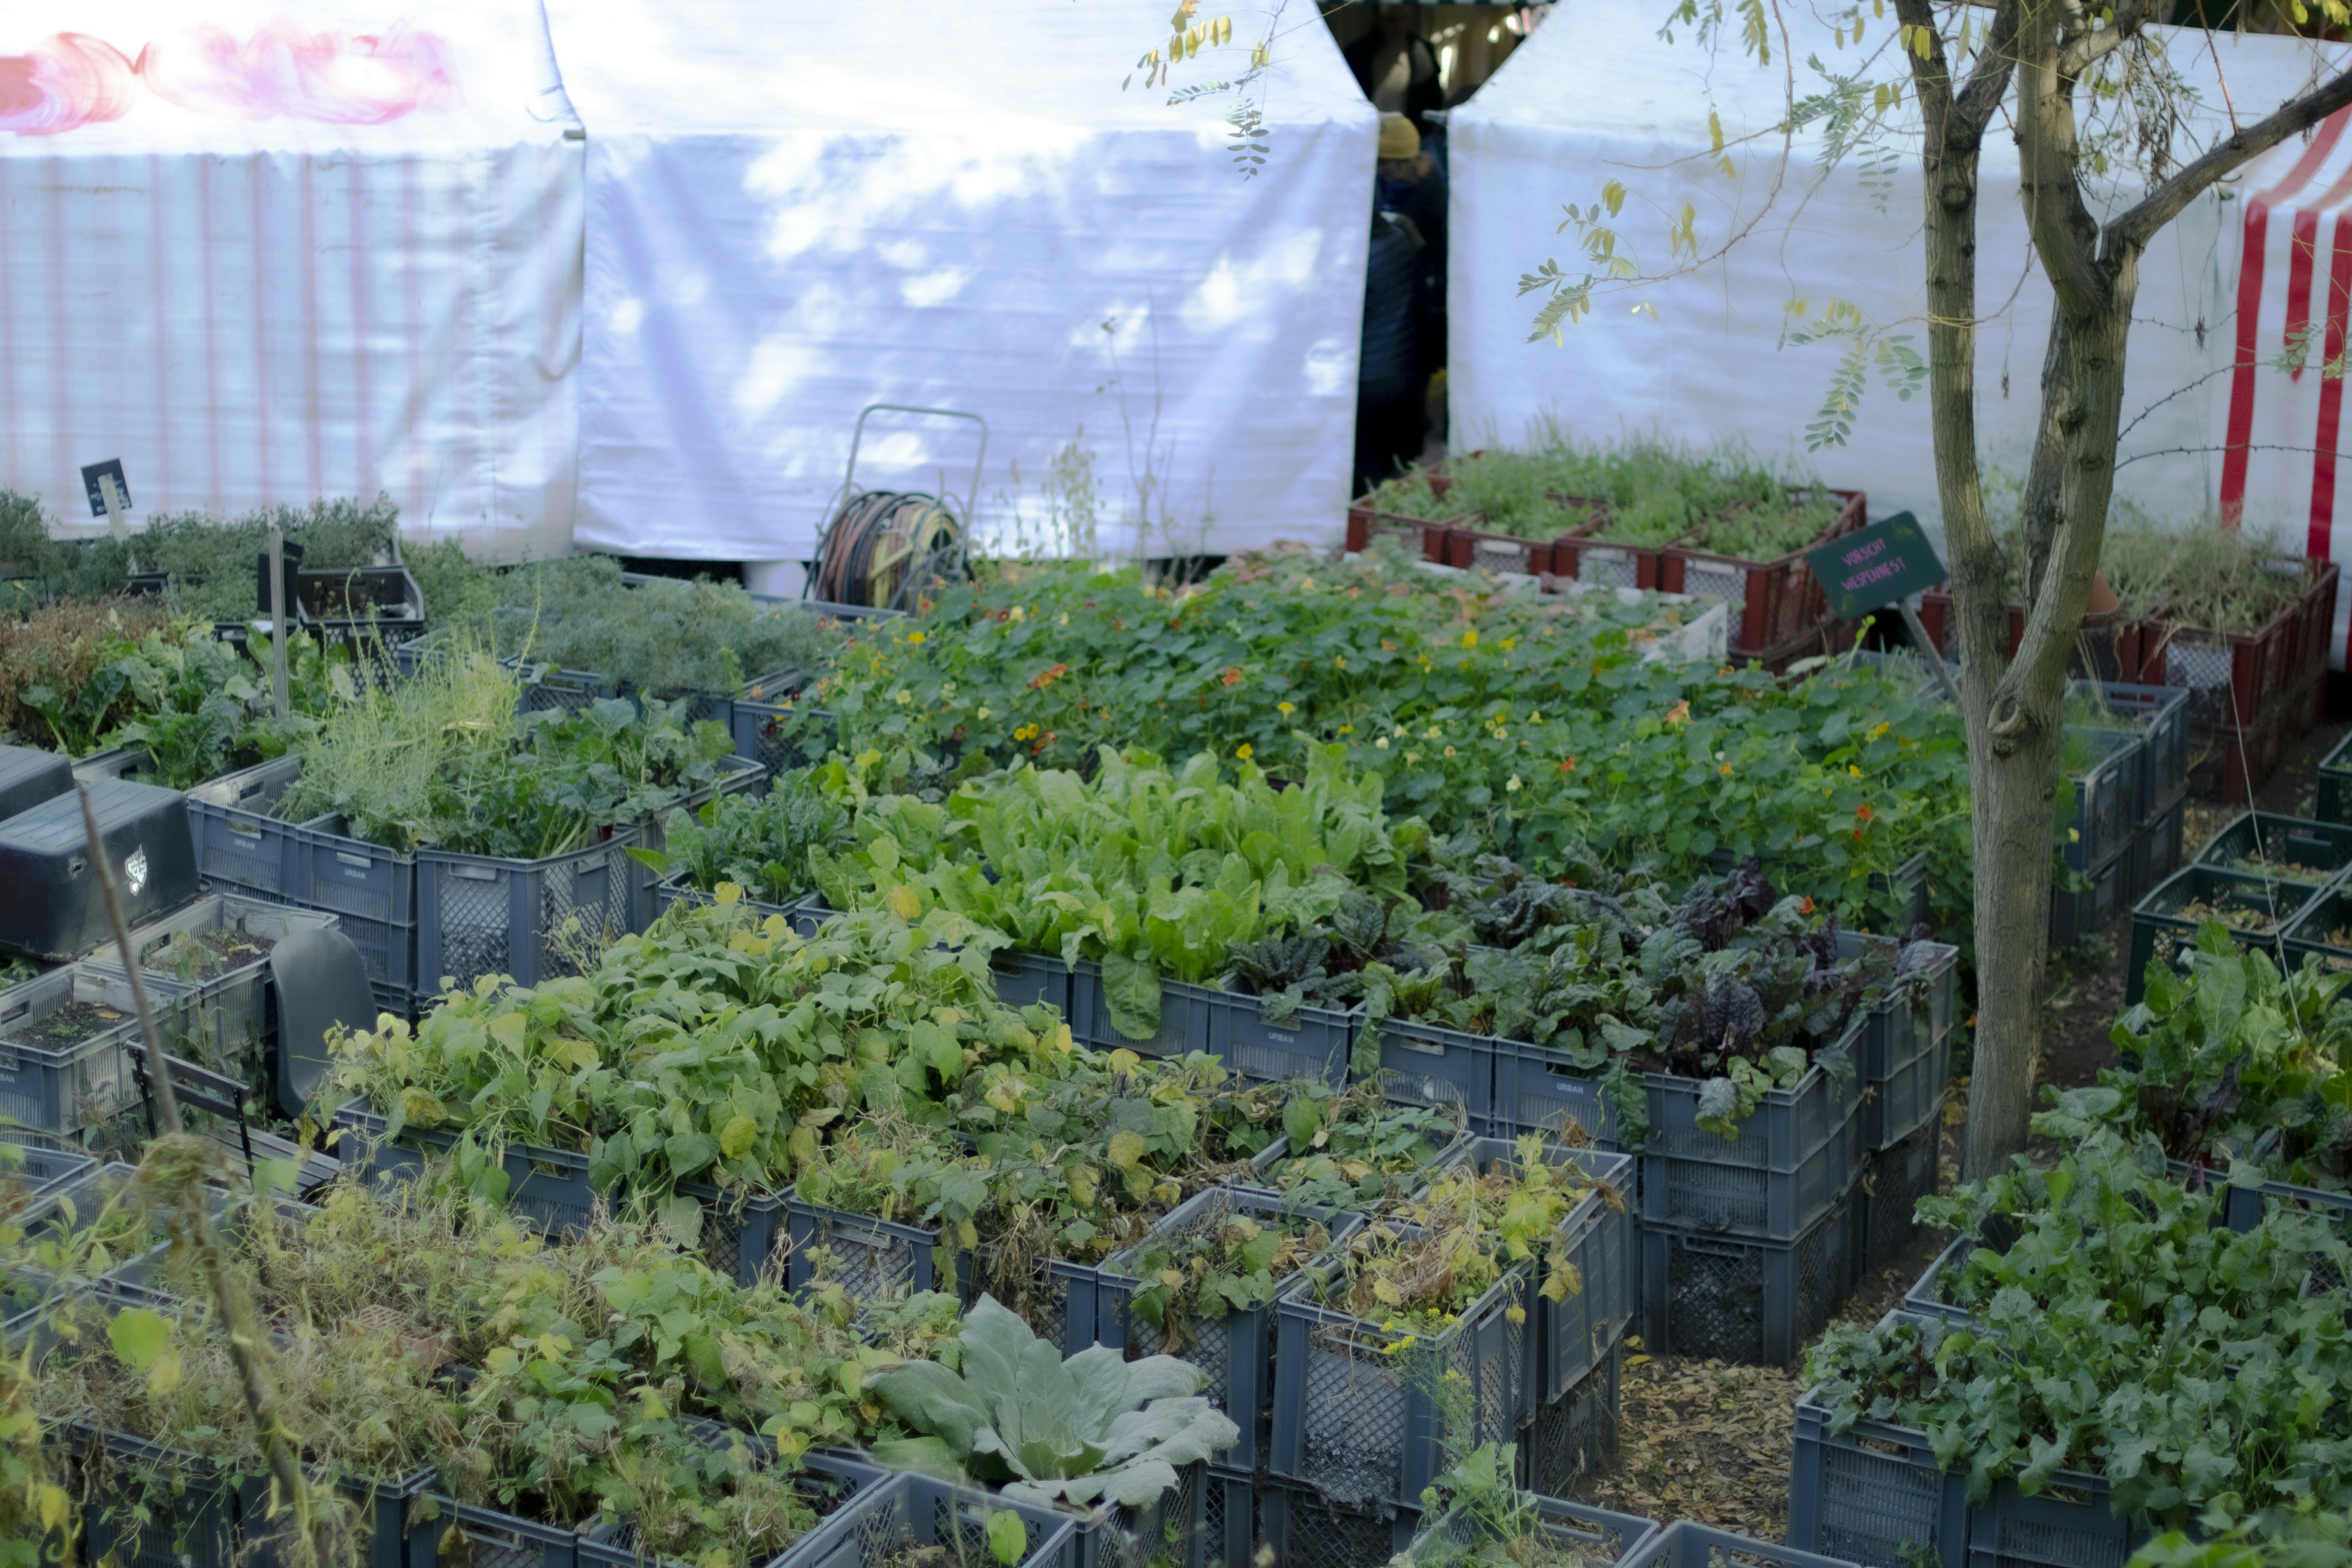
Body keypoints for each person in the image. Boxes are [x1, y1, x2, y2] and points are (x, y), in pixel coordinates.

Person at [1355, 201, 1429, 498]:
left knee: (1366, 465)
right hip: (1403, 364)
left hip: (1370, 374)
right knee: (1389, 459)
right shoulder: (1398, 238)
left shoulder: (1360, 260)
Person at [1343, 9, 1446, 128]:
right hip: (1366, 127)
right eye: (1391, 21)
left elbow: (1431, 98)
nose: (1398, 27)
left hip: (1404, 131)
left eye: (1403, 20)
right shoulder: (1358, 53)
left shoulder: (1419, 52)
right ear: (1379, 22)